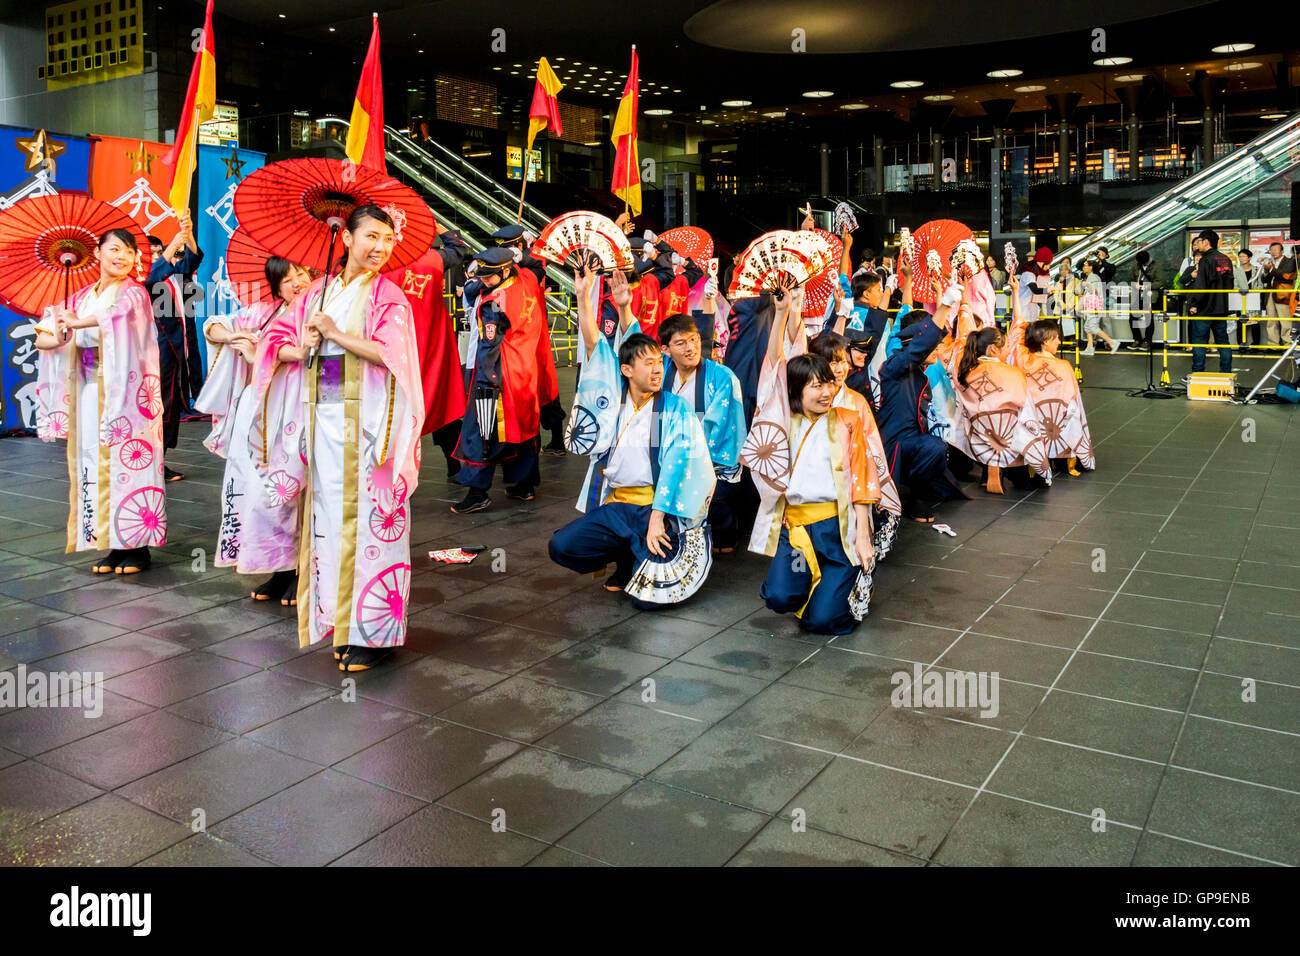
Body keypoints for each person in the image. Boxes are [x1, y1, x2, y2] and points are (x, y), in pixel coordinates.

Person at [276, 205, 423, 672]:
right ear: (346, 238)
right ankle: (342, 623)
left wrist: (335, 332)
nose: (380, 248)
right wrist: (306, 344)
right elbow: (285, 341)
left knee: (370, 523)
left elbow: (390, 354)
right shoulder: (319, 291)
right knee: (331, 522)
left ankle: (374, 634)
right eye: (371, 237)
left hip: (369, 426)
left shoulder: (389, 296)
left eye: (387, 239)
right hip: (325, 419)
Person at [549, 264, 715, 606]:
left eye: (659, 362)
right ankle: (624, 557)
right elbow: (597, 347)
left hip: (656, 508)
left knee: (650, 600)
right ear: (625, 371)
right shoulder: (613, 400)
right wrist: (583, 296)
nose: (657, 369)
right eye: (647, 364)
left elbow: (677, 465)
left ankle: (638, 555)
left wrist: (658, 519)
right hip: (616, 505)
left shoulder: (673, 408)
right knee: (562, 546)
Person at [741, 287, 879, 635]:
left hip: (836, 530)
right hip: (797, 532)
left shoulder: (847, 418)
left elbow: (862, 482)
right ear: (795, 392)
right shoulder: (784, 416)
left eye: (829, 384)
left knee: (822, 622)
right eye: (816, 386)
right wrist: (783, 312)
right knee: (780, 597)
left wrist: (864, 536)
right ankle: (813, 588)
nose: (826, 392)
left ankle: (843, 589)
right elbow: (776, 364)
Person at [34, 229, 166, 574]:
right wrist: (60, 331)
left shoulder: (134, 293)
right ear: (98, 252)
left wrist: (78, 322)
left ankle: (137, 546)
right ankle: (110, 541)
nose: (121, 257)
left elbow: (117, 317)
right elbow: (44, 340)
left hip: (127, 397)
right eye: (114, 250)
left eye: (128, 252)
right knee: (95, 464)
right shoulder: (79, 297)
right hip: (90, 391)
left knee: (129, 467)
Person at [195, 256, 310, 603]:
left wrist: (261, 353)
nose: (297, 283)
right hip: (256, 413)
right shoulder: (262, 313)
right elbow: (211, 325)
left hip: (296, 411)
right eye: (287, 278)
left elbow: (307, 354)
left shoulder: (320, 314)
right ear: (274, 285)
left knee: (293, 490)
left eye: (301, 273)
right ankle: (278, 568)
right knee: (256, 493)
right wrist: (235, 336)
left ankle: (301, 568)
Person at [452, 247, 547, 513]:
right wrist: (521, 255)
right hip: (525, 370)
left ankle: (477, 492)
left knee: (481, 432)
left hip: (498, 374)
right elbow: (538, 266)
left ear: (505, 270)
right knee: (524, 430)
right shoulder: (526, 279)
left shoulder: (494, 303)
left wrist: (483, 381)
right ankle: (524, 485)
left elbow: (488, 346)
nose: (483, 280)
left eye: (489, 276)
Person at [656, 311, 747, 553]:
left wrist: (685, 456)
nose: (691, 348)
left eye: (694, 339)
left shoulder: (722, 377)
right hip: (668, 451)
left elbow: (723, 427)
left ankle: (724, 532)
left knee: (716, 499)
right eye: (680, 343)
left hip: (709, 456)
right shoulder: (661, 372)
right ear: (665, 349)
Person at [875, 284, 966, 522]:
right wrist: (944, 306)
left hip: (913, 441)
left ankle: (918, 498)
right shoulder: (895, 365)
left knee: (935, 447)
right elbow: (917, 349)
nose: (938, 350)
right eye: (933, 345)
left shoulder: (918, 370)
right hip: (892, 444)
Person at [808, 330, 903, 556]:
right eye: (832, 363)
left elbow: (873, 449)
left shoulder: (857, 402)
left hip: (851, 483)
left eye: (841, 361)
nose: (839, 369)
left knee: (851, 544)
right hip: (814, 486)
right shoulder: (805, 400)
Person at [384, 228, 469, 477]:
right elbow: (458, 249)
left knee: (395, 415)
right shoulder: (434, 259)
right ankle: (454, 466)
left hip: (396, 351)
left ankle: (396, 473)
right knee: (444, 407)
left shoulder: (380, 266)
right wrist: (441, 228)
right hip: (434, 348)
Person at [1007, 275, 1094, 477]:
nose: (1058, 342)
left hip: (1032, 424)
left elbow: (1018, 327)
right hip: (1057, 426)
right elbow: (1073, 405)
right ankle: (1066, 458)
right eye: (1055, 339)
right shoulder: (1063, 366)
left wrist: (1015, 293)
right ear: (1045, 341)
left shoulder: (1022, 358)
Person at [490, 223, 566, 457]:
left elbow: (540, 263)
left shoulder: (533, 263)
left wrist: (523, 255)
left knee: (545, 388)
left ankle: (556, 440)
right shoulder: (507, 270)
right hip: (517, 334)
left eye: (511, 248)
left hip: (535, 330)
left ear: (520, 246)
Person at [953, 325, 1052, 495]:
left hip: (977, 442)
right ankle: (1017, 469)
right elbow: (1026, 412)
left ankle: (990, 470)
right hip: (1010, 443)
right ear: (993, 349)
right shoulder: (1014, 373)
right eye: (1006, 347)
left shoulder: (965, 371)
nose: (1008, 351)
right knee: (1025, 421)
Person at [147, 212, 203, 481]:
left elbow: (193, 259)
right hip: (155, 353)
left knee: (170, 407)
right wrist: (170, 248)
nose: (158, 255)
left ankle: (161, 460)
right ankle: (150, 462)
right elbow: (150, 277)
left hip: (177, 351)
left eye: (159, 250)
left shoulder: (175, 275)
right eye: (152, 252)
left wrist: (188, 234)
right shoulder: (141, 279)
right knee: (157, 406)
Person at [1183, 229, 1234, 378]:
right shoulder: (1225, 259)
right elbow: (1229, 285)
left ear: (1206, 242)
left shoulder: (1205, 260)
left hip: (1204, 309)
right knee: (1223, 342)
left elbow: (1200, 286)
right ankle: (1226, 374)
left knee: (1199, 342)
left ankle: (1198, 374)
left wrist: (1194, 304)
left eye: (1199, 241)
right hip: (1221, 308)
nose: (1198, 244)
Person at [1123, 250, 1162, 351]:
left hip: (1149, 296)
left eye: (1144, 263)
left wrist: (1145, 286)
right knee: (1132, 317)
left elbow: (1160, 282)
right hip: (1136, 296)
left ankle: (1147, 341)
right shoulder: (1136, 266)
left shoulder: (1156, 266)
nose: (1142, 264)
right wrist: (1134, 285)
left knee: (1148, 319)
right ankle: (1137, 339)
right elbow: (1130, 278)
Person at [1259, 241, 1296, 347]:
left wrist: (1271, 269)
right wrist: (1266, 271)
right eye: (1271, 250)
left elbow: (1284, 276)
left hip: (1283, 293)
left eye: (1276, 250)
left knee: (1285, 320)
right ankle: (1273, 344)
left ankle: (1288, 344)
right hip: (1270, 293)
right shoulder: (1270, 262)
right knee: (1271, 320)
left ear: (1282, 251)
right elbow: (1264, 280)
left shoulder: (1290, 261)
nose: (1273, 252)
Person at [1079, 259, 1117, 355]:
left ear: (1091, 267)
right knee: (1088, 327)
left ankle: (1112, 342)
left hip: (1094, 306)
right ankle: (1090, 348)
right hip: (1092, 305)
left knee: (1092, 327)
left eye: (1086, 265)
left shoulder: (1093, 277)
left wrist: (1086, 285)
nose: (1083, 267)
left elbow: (1095, 291)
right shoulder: (1091, 277)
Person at [1232, 248, 1262, 352]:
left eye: (1244, 256)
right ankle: (1242, 345)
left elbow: (1261, 285)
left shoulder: (1257, 270)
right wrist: (1240, 291)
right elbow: (1234, 286)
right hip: (1240, 300)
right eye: (1240, 256)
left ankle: (1255, 346)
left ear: (1249, 258)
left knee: (1254, 323)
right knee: (1241, 323)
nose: (1241, 258)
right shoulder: (1236, 271)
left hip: (1253, 299)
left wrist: (1253, 291)